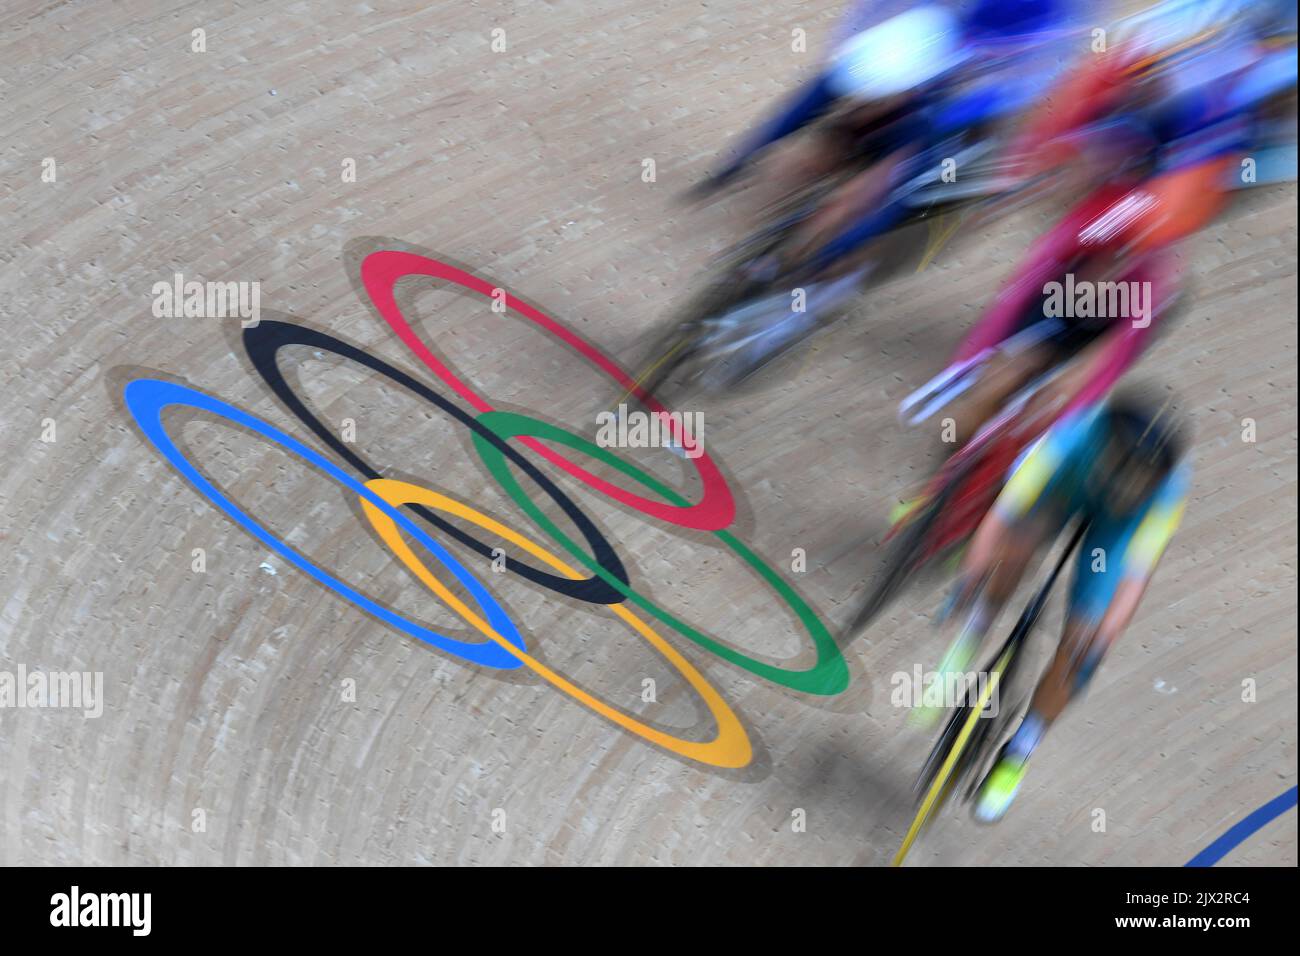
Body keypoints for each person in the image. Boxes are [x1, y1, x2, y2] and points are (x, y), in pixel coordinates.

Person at [940, 392, 1191, 823]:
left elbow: (1133, 581)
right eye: (1124, 473)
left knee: (1082, 646)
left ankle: (1020, 750)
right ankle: (975, 629)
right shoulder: (1073, 434)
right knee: (1016, 542)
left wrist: (1096, 642)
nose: (1129, 486)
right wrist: (973, 573)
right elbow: (1004, 515)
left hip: (1116, 534)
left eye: (1140, 481)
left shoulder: (1167, 492)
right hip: (1067, 486)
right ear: (1105, 448)